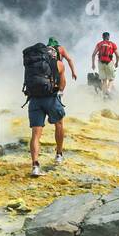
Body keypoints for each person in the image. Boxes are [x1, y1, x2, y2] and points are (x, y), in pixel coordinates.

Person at [23, 36, 76, 176]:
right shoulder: (58, 64)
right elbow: (63, 84)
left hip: (34, 99)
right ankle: (59, 154)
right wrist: (59, 92)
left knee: (35, 134)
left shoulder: (31, 63)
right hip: (51, 99)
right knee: (59, 123)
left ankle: (35, 165)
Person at [91, 31, 119, 96]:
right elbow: (117, 55)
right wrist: (117, 63)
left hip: (100, 63)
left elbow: (93, 55)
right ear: (109, 37)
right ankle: (108, 90)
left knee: (104, 80)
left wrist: (93, 64)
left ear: (102, 37)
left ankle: (104, 96)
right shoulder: (112, 44)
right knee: (111, 79)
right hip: (109, 63)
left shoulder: (99, 44)